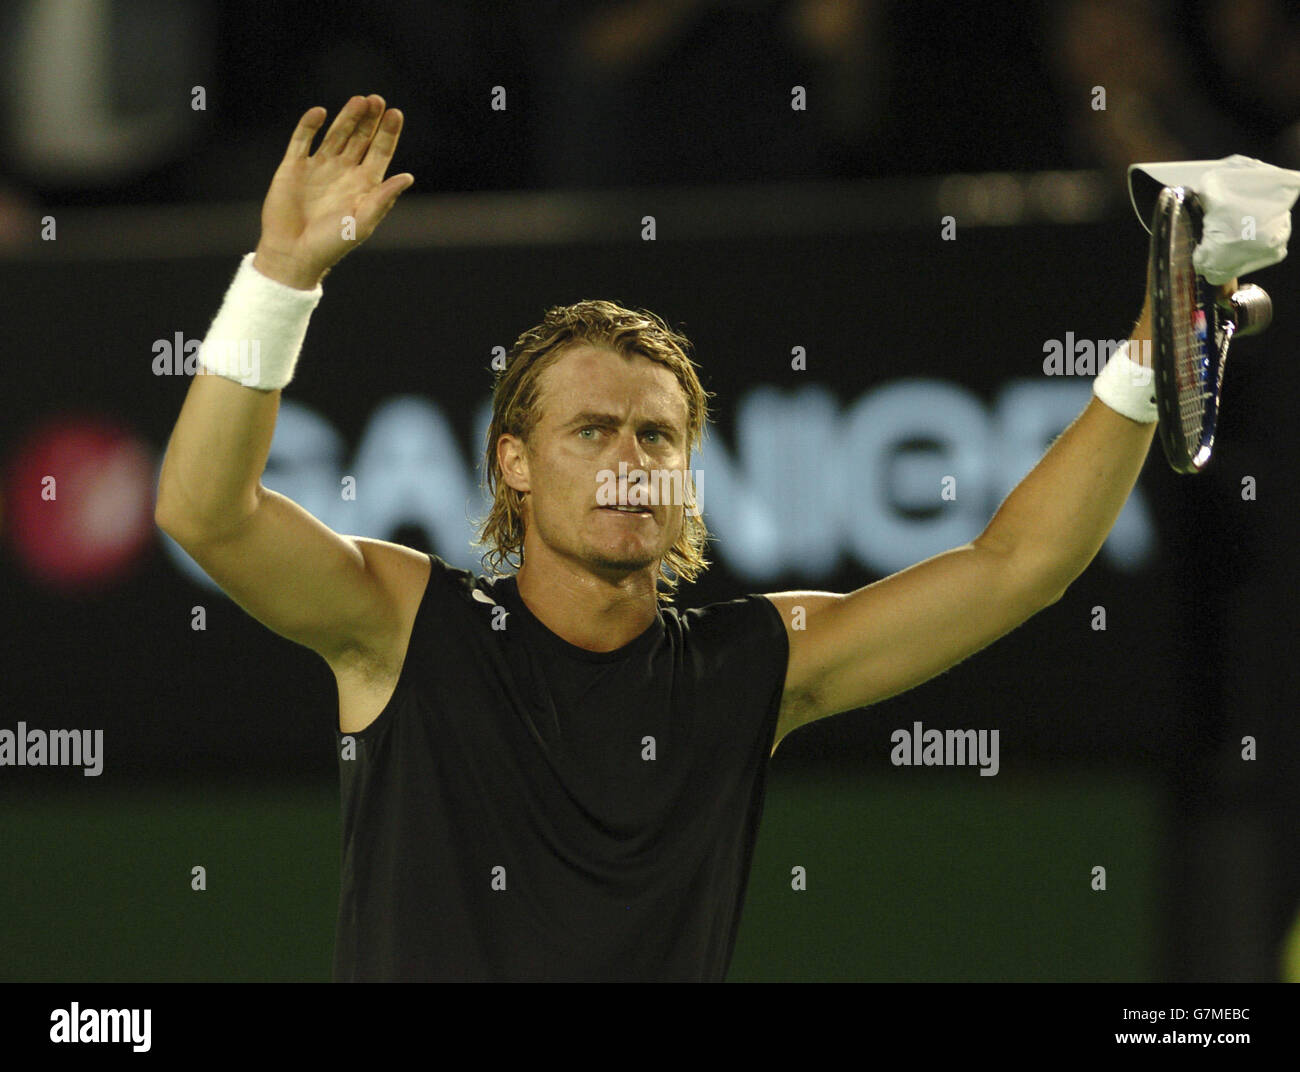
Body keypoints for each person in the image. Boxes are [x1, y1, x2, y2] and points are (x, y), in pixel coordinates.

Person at [156, 94, 1181, 982]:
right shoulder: (402, 623)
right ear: (513, 462)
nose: (630, 456)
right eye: (591, 430)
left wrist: (1151, 350)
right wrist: (281, 277)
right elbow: (205, 512)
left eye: (657, 433)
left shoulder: (753, 665)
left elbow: (1018, 566)